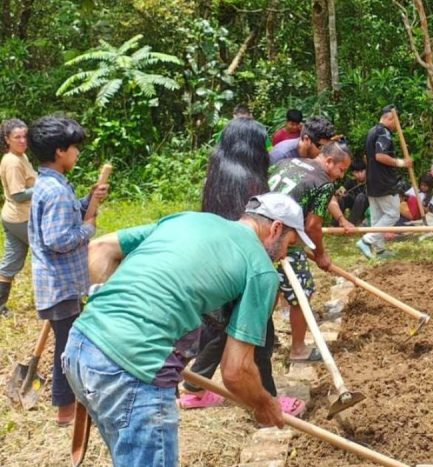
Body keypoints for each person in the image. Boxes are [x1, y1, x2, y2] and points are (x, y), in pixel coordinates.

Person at [63, 193, 313, 466]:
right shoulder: (261, 269)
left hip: (81, 345)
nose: (285, 255)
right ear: (276, 228)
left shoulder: (189, 219)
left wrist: (115, 320)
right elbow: (235, 371)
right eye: (289, 243)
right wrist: (264, 403)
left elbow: (100, 248)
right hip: (135, 370)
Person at [180, 118, 304, 414]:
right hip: (243, 261)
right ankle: (267, 400)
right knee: (259, 331)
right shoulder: (248, 180)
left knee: (220, 327)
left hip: (216, 257)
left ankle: (195, 389)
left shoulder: (219, 171)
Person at [27, 116, 109, 425]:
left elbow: (65, 216)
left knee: (70, 342)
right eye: (74, 148)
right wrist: (88, 228)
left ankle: (71, 403)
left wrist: (89, 201)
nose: (77, 153)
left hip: (59, 283)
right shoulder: (56, 191)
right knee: (67, 347)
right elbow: (58, 239)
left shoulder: (51, 184)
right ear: (60, 151)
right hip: (60, 284)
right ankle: (65, 409)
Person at [268, 141, 353, 362]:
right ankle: (298, 350)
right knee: (302, 293)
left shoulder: (288, 162)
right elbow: (313, 225)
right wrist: (321, 254)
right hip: (285, 241)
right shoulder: (323, 183)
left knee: (269, 287)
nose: (341, 176)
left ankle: (263, 342)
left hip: (260, 231)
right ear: (329, 161)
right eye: (341, 170)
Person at [357, 105, 409, 259]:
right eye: (396, 122)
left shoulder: (372, 131)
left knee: (377, 217)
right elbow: (380, 156)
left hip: (372, 180)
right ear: (389, 118)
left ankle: (379, 251)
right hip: (384, 182)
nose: (396, 126)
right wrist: (401, 163)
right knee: (393, 214)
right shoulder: (383, 132)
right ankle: (367, 240)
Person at [0, 119, 36, 316]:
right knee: (47, 252)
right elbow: (18, 195)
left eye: (24, 136)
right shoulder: (13, 162)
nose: (22, 141)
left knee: (12, 261)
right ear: (7, 139)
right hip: (21, 218)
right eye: (17, 137)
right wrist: (43, 185)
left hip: (12, 217)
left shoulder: (20, 156)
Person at [268, 115, 335, 165]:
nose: (323, 152)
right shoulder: (280, 155)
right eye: (321, 147)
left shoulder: (312, 155)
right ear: (307, 140)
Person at [333, 155, 368, 226]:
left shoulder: (369, 181)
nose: (360, 174)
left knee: (361, 197)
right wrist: (339, 193)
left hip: (367, 205)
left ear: (366, 170)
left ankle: (351, 223)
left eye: (362, 171)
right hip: (355, 205)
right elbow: (341, 190)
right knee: (342, 198)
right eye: (356, 172)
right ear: (352, 173)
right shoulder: (351, 181)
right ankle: (336, 223)